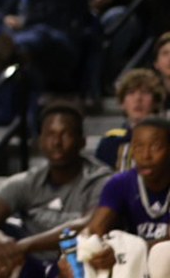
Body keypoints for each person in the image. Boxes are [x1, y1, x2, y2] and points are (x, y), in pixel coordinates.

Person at [0, 104, 110, 278]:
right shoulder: (27, 181)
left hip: (75, 262)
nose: (57, 142)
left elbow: (90, 224)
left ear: (82, 141)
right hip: (27, 261)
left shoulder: (100, 179)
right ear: (40, 141)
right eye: (50, 134)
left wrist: (24, 245)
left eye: (65, 134)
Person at [68, 118, 170, 277]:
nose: (145, 155)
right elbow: (95, 228)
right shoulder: (119, 183)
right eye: (138, 147)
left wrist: (124, 252)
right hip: (132, 266)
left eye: (155, 146)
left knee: (163, 254)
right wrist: (86, 246)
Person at [98, 69, 168, 172]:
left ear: (156, 101)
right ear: (122, 103)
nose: (138, 99)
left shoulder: (166, 139)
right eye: (131, 93)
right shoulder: (110, 141)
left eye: (145, 92)